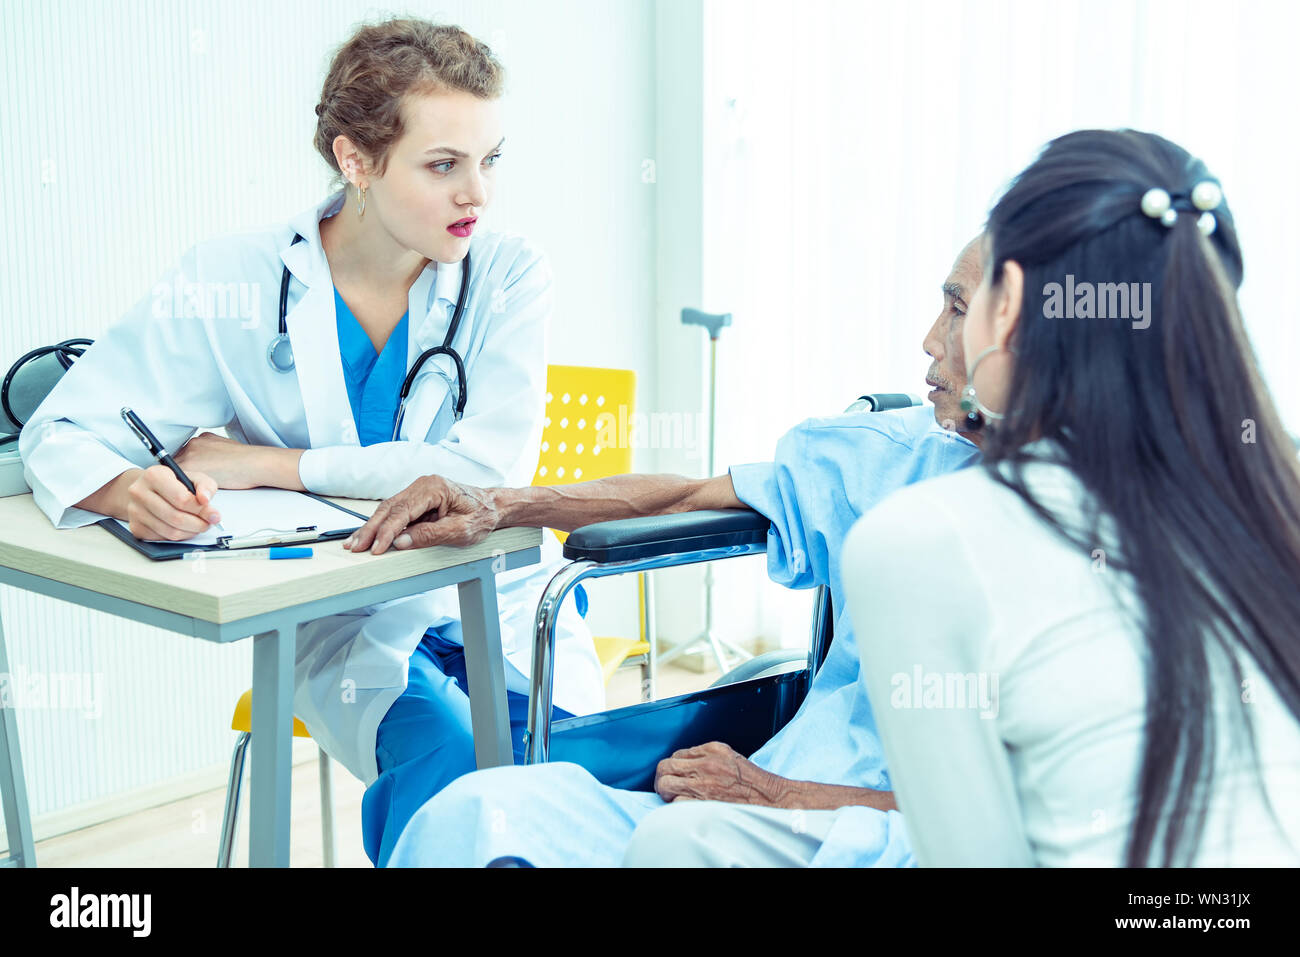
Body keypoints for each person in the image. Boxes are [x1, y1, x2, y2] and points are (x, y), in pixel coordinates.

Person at [17, 18, 603, 867]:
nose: (478, 194)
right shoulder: (234, 281)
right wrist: (122, 489)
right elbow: (63, 428)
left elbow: (479, 476)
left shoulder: (508, 275)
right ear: (355, 161)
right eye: (444, 165)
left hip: (497, 598)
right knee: (447, 765)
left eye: (490, 159)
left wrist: (267, 463)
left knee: (565, 781)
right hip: (340, 617)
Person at [338, 238, 987, 867]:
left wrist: (783, 796)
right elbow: (682, 498)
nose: (931, 338)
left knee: (681, 843)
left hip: (901, 835)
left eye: (956, 309)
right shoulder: (893, 458)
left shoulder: (1075, 542)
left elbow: (1014, 816)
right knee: (473, 809)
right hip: (761, 806)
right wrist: (498, 503)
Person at [845, 129, 1300, 866]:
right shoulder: (1269, 507)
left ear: (1011, 302)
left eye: (965, 301)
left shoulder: (919, 542)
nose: (938, 338)